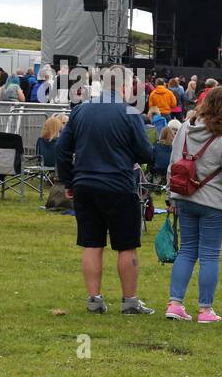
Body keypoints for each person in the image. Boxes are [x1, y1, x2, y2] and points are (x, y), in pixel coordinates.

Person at [54, 72, 155, 314]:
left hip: (85, 184)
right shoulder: (130, 113)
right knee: (126, 245)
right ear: (123, 86)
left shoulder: (81, 110)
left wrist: (69, 180)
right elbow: (145, 152)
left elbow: (61, 148)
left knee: (91, 243)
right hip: (118, 184)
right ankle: (129, 301)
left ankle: (94, 300)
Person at [165, 86, 222, 324]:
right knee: (210, 254)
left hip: (184, 197)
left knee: (187, 250)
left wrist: (171, 195)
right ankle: (205, 310)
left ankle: (175, 303)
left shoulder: (186, 128)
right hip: (214, 201)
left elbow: (173, 164)